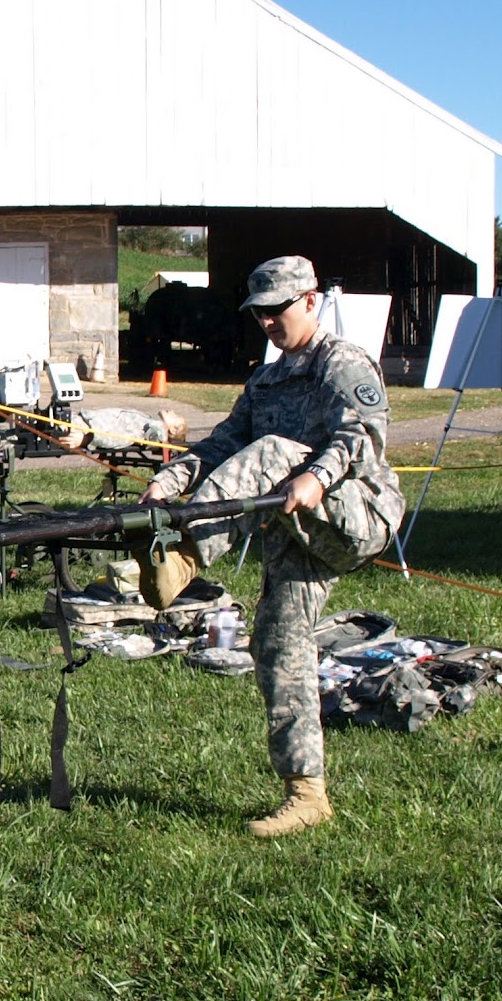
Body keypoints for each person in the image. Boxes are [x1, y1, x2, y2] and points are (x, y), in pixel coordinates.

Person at [138, 256, 405, 838]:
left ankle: (185, 556)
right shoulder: (265, 380)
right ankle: (306, 792)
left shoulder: (342, 363)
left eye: (276, 310)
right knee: (279, 643)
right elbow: (222, 444)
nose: (266, 323)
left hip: (356, 511)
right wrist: (171, 478)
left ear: (310, 301)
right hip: (293, 524)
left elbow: (362, 436)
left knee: (274, 453)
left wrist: (319, 477)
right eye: (258, 313)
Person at [59, 407, 187, 452]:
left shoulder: (145, 431)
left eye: (175, 416)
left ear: (173, 430)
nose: (172, 411)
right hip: (83, 421)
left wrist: (85, 439)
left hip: (83, 428)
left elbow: (118, 438)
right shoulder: (147, 423)